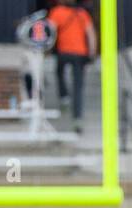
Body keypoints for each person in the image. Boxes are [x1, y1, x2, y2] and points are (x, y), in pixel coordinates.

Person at [46, 0, 96, 131]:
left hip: (64, 52)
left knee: (59, 71)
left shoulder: (56, 12)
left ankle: (64, 97)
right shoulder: (82, 13)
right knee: (78, 86)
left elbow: (49, 32)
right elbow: (91, 34)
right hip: (80, 54)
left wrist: (47, 50)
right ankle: (77, 118)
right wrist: (92, 53)